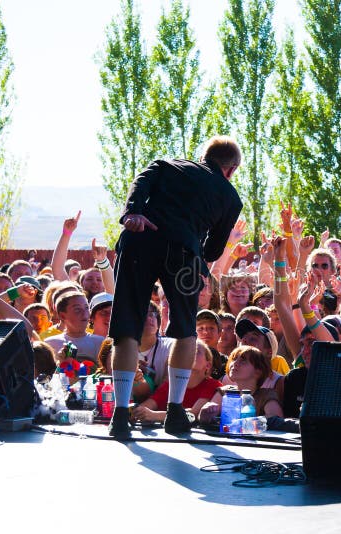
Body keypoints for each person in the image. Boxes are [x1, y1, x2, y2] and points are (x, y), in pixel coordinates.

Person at [108, 136, 243, 438]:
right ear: (231, 170)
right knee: (185, 329)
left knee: (126, 328)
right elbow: (213, 249)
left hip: (140, 238)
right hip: (182, 251)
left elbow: (141, 182)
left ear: (204, 157)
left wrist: (132, 212)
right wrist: (195, 246)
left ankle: (119, 414)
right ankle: (175, 410)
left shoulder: (167, 164)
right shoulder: (230, 197)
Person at [132, 340, 221, 423]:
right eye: (185, 351)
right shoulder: (170, 385)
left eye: (196, 350)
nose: (188, 353)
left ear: (208, 365)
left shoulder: (213, 385)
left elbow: (194, 413)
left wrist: (154, 415)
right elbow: (146, 407)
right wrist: (138, 412)